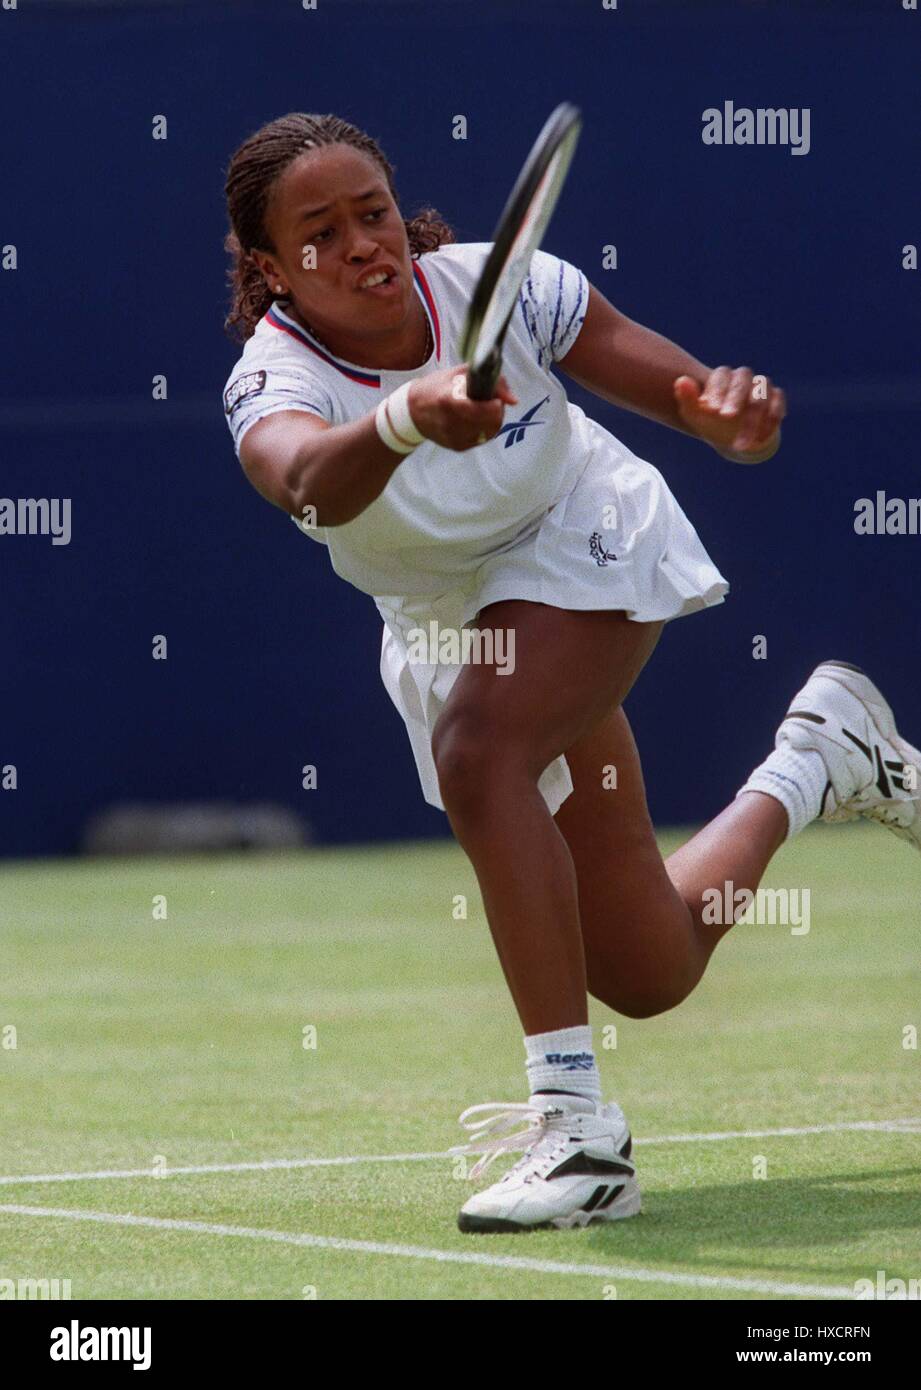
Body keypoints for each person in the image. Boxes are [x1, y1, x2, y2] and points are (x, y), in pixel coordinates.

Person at [222, 112, 921, 1233]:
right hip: (453, 622)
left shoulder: (506, 290)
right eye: (322, 231)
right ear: (269, 269)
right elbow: (307, 481)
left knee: (481, 753)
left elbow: (673, 386)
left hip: (581, 536)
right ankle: (821, 759)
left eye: (374, 212)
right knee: (649, 967)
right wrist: (407, 418)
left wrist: (723, 417)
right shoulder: (273, 381)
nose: (364, 242)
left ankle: (579, 1136)